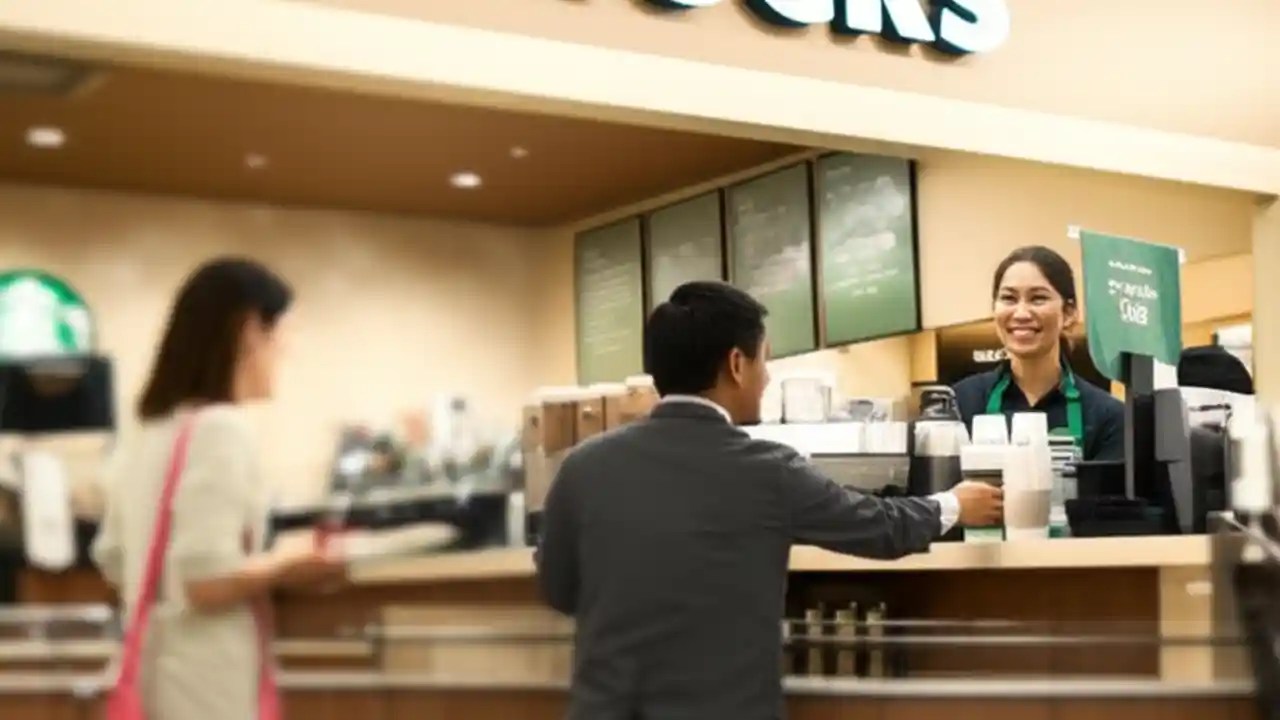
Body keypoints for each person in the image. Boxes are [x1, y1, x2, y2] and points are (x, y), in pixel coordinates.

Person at [536, 281, 1003, 720]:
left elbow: (557, 589)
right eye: (765, 359)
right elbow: (878, 527)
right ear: (737, 364)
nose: (767, 375)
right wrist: (956, 503)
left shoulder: (582, 466)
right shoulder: (766, 469)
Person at [91, 258, 345, 720]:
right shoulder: (222, 429)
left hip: (151, 675)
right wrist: (287, 563)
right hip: (207, 686)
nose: (287, 352)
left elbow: (113, 556)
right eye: (283, 334)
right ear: (250, 330)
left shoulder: (146, 431)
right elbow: (206, 582)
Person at [952, 245, 1125, 461]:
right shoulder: (959, 405)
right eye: (1009, 298)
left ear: (1069, 313)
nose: (1021, 313)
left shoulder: (1109, 417)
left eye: (1038, 298)